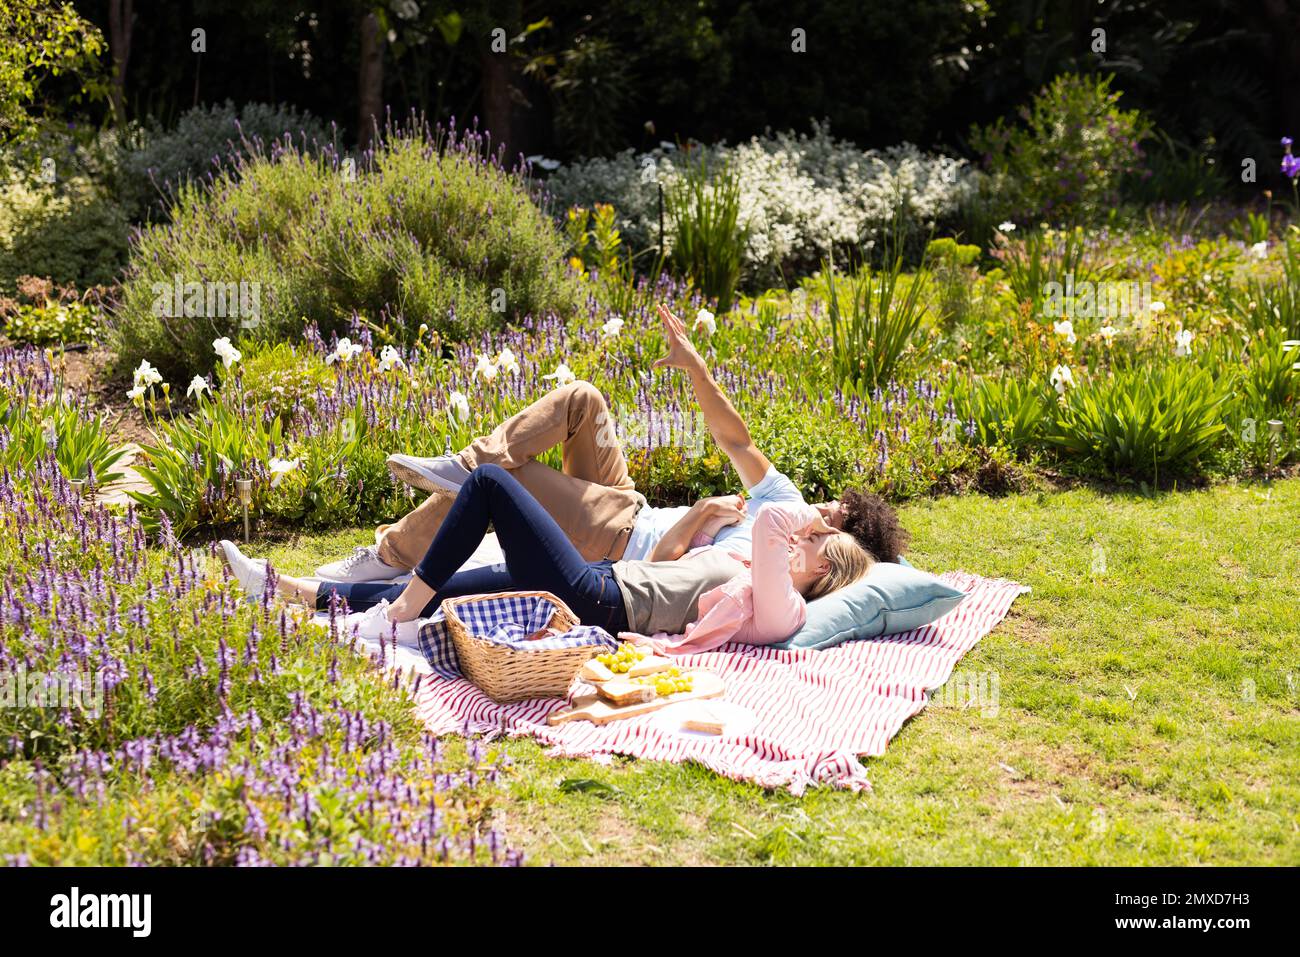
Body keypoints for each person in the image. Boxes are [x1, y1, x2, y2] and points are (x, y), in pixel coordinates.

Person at [317, 303, 908, 583]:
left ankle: (389, 558)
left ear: (841, 543)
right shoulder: (787, 503)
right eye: (834, 504)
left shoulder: (785, 565)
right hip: (629, 505)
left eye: (838, 516)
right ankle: (466, 464)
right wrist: (695, 365)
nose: (826, 508)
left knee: (506, 484)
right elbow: (735, 438)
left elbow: (663, 574)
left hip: (617, 541)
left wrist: (702, 512)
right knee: (583, 399)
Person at [220, 461, 873, 654]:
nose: (801, 536)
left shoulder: (783, 605)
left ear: (822, 568)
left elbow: (773, 525)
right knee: (454, 589)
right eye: (811, 533)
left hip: (595, 598)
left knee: (488, 485)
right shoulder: (766, 580)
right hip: (596, 583)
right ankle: (287, 590)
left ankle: (400, 609)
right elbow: (705, 548)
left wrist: (815, 519)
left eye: (814, 543)